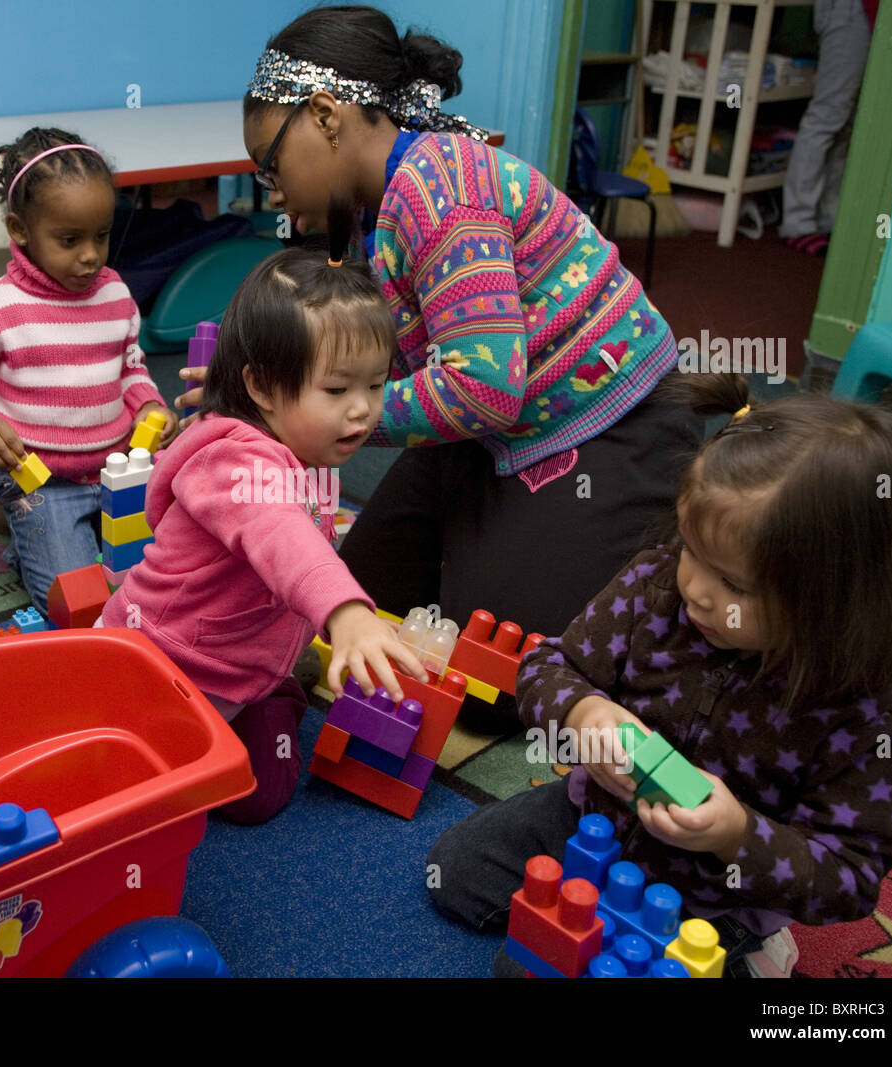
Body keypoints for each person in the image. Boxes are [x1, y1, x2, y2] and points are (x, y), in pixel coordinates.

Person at [179, 5, 701, 732]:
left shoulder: (439, 188)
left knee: (496, 686)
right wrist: (257, 381)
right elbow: (391, 350)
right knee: (336, 607)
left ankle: (670, 528)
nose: (270, 188)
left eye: (270, 162)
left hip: (609, 425)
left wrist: (314, 413)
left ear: (326, 115)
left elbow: (483, 387)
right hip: (492, 429)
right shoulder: (379, 202)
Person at [427, 374, 892, 976]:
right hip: (593, 822)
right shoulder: (655, 586)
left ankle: (754, 952)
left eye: (735, 585)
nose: (695, 588)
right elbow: (545, 666)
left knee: (527, 969)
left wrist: (734, 834)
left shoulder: (866, 722)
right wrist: (585, 713)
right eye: (692, 548)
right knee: (455, 872)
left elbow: (849, 878)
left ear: (834, 599)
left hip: (718, 895)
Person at [100, 207, 428, 824]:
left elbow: (304, 533)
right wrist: (347, 612)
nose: (362, 411)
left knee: (264, 786)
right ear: (262, 387)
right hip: (164, 668)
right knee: (175, 793)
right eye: (336, 391)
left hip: (244, 657)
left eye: (377, 385)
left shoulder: (309, 451)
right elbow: (280, 532)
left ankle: (272, 683)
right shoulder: (235, 462)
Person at [0, 128, 176, 615]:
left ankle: (29, 525)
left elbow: (131, 369)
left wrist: (149, 404)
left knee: (167, 569)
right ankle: (19, 523)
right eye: (69, 239)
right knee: (76, 603)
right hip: (40, 481)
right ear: (20, 230)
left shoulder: (115, 295)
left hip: (118, 469)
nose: (90, 255)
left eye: (102, 235)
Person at [780, 0, 875, 255]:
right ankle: (798, 222)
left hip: (875, 12)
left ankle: (827, 219)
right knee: (828, 114)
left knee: (847, 122)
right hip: (850, 9)